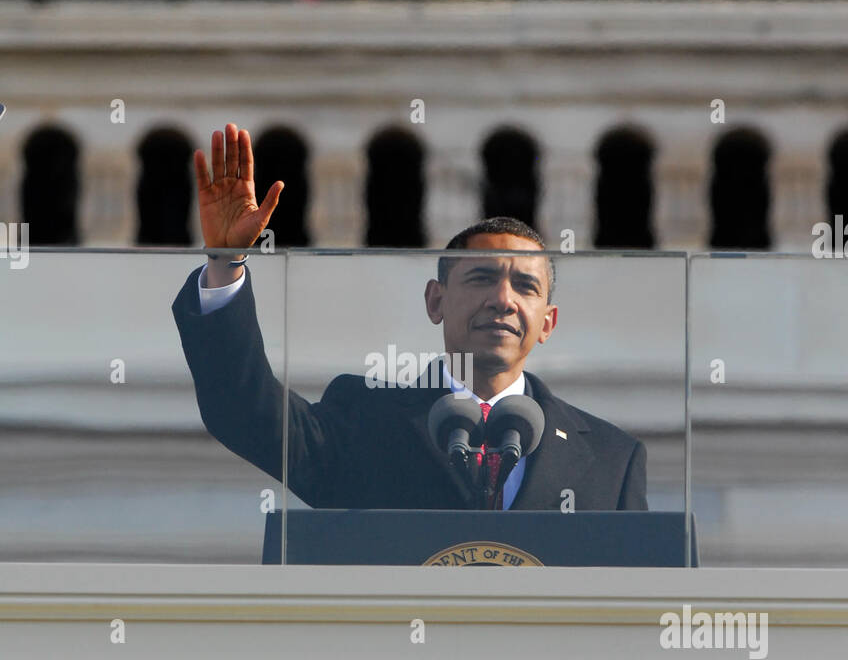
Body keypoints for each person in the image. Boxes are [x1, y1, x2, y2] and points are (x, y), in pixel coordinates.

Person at [172, 124, 648, 513]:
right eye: (481, 278)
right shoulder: (363, 420)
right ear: (435, 301)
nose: (503, 299)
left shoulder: (611, 459)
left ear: (547, 322)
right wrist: (225, 263)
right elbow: (242, 409)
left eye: (526, 287)